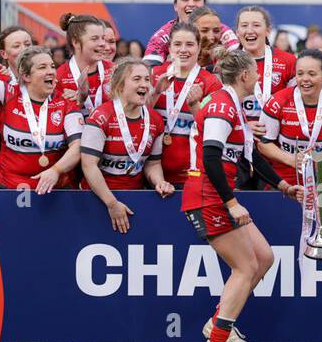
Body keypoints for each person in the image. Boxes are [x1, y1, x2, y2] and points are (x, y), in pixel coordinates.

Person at [183, 51, 283, 342]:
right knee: (246, 266)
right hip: (208, 196)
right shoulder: (220, 107)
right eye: (255, 71)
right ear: (244, 76)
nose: (257, 76)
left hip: (215, 195)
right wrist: (232, 202)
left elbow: (249, 157)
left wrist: (283, 185)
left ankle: (218, 325)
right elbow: (211, 157)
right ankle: (218, 340)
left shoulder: (232, 106)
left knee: (264, 257)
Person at [0, 44, 84, 192]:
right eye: (42, 67)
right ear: (26, 76)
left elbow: (78, 147)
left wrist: (56, 170)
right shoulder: (8, 93)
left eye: (52, 66)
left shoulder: (66, 102)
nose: (51, 71)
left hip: (54, 189)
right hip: (9, 187)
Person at [80, 59, 174, 232]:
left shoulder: (155, 120)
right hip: (97, 199)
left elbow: (152, 164)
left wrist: (160, 182)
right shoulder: (101, 117)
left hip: (135, 198)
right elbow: (88, 165)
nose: (144, 84)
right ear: (120, 86)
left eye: (147, 79)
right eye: (137, 79)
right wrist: (111, 203)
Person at [256, 49, 322, 197]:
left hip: (321, 186)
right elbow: (263, 144)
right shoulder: (278, 101)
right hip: (283, 184)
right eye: (300, 74)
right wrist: (292, 160)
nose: (305, 79)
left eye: (312, 74)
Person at [149, 21, 223, 188]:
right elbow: (137, 117)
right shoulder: (154, 75)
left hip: (192, 174)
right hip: (152, 172)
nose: (183, 50)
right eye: (177, 44)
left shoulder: (211, 82)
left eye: (189, 44)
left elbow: (213, 130)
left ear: (198, 48)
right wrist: (155, 93)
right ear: (169, 48)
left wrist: (195, 106)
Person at [235, 5, 298, 143]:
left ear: (268, 30)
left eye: (256, 25)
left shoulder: (288, 61)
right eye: (244, 25)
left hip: (276, 142)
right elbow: (219, 105)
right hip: (239, 143)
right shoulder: (228, 63)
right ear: (237, 31)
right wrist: (242, 125)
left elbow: (297, 104)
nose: (249, 31)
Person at [143, 0, 241, 66]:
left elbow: (240, 59)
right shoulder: (163, 35)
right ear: (175, 6)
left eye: (196, 0)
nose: (191, 4)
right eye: (185, 0)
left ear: (204, 5)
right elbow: (149, 69)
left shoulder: (220, 29)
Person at [53, 13, 112, 114]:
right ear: (75, 42)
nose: (103, 44)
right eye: (94, 39)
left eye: (102, 38)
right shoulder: (58, 77)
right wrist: (75, 102)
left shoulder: (115, 71)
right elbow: (54, 118)